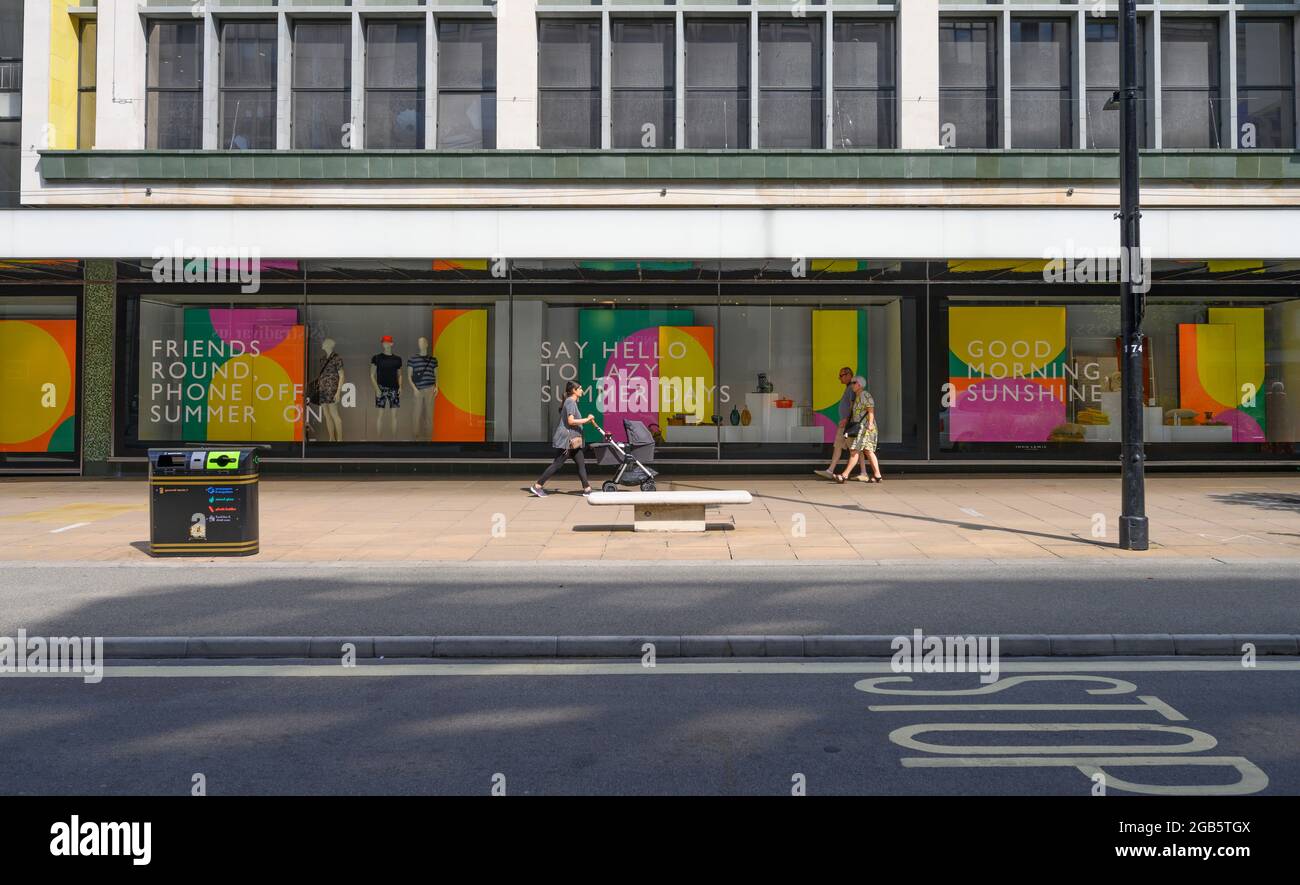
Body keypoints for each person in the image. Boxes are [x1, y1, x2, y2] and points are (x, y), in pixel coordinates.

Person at [530, 381, 598, 497]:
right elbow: (571, 421)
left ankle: (587, 489)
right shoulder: (570, 402)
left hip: (574, 441)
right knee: (557, 464)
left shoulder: (571, 402)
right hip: (568, 441)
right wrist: (586, 420)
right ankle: (537, 486)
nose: (582, 390)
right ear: (573, 390)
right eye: (580, 388)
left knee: (581, 464)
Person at [816, 367, 867, 480]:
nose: (839, 378)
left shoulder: (851, 388)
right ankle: (830, 470)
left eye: (841, 375)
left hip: (848, 424)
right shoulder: (849, 388)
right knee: (839, 446)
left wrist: (846, 419)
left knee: (855, 448)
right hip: (846, 423)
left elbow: (852, 405)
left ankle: (863, 473)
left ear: (849, 375)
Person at [836, 375, 883, 484]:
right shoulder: (856, 397)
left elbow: (871, 411)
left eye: (853, 382)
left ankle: (844, 475)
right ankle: (877, 475)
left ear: (859, 384)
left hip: (866, 428)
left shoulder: (865, 395)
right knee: (868, 451)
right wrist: (846, 421)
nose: (851, 384)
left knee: (855, 451)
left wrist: (870, 424)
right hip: (860, 429)